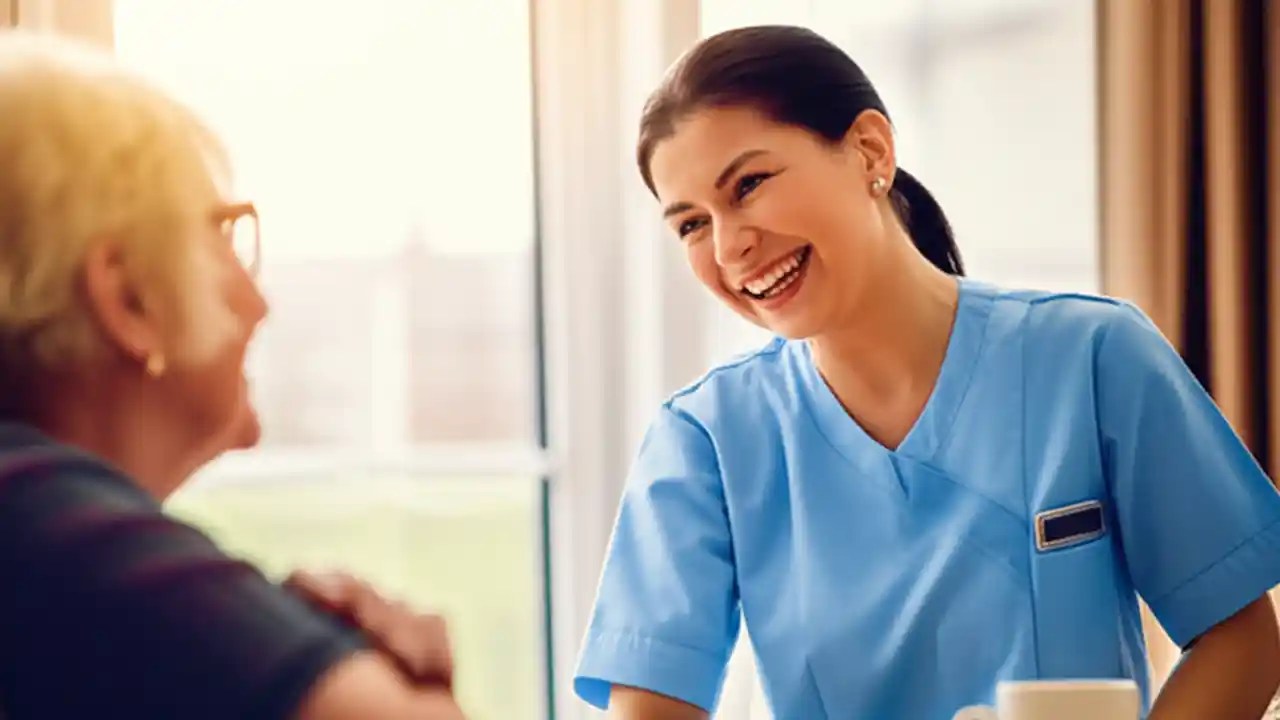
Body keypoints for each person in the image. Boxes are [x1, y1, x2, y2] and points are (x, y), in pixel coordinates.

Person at [574, 25, 1280, 720]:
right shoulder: (707, 438)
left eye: (750, 184)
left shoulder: (1091, 357)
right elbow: (653, 707)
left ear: (869, 151)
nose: (731, 247)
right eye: (692, 224)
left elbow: (1240, 639)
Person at [0, 32, 462, 719]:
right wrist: (416, 688)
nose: (259, 302)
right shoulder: (41, 519)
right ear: (127, 297)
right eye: (221, 234)